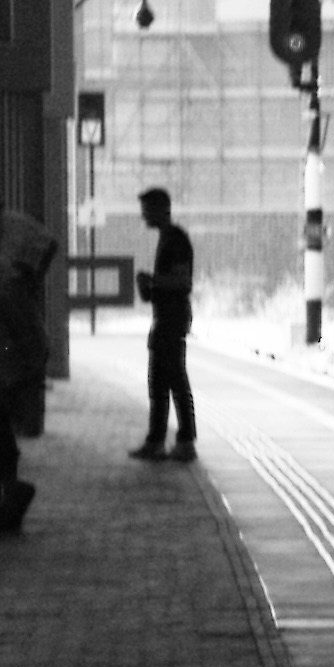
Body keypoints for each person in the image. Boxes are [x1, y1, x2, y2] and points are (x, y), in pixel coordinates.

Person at [0, 210, 57, 533]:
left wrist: (7, 363)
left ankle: (7, 495)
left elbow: (19, 337)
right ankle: (7, 493)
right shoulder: (5, 275)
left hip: (1, 369)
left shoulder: (2, 278)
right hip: (3, 369)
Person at [129, 186, 195, 463]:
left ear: (160, 209)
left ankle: (181, 441)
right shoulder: (167, 238)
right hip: (166, 318)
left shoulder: (176, 240)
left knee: (173, 381)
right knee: (160, 381)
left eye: (147, 210)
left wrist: (152, 281)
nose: (144, 216)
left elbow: (183, 281)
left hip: (172, 318)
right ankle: (160, 440)